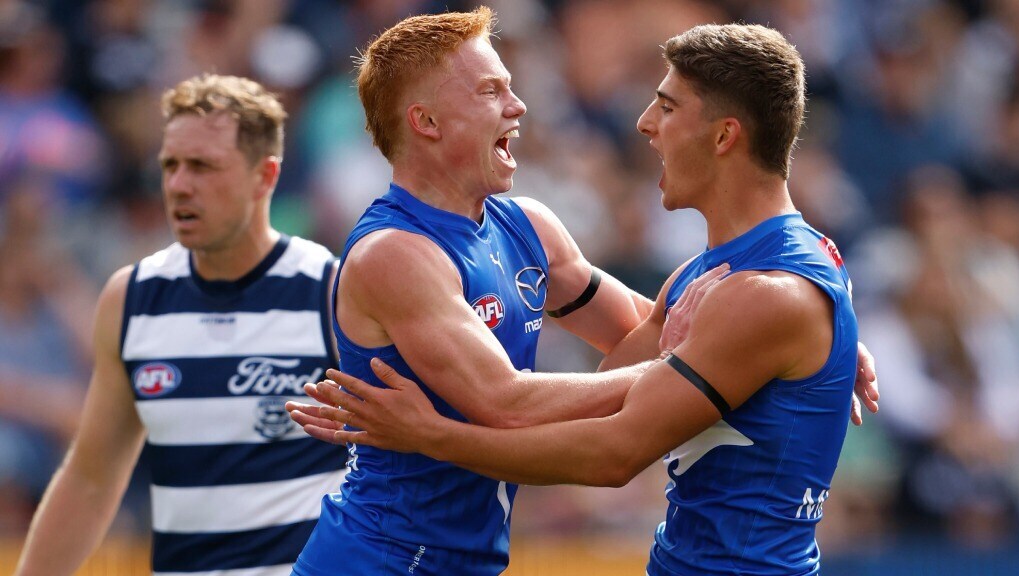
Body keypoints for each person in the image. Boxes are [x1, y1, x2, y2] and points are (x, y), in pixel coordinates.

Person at [293, 23, 872, 576]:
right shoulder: (395, 254)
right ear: (426, 121)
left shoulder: (530, 228)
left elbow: (688, 344)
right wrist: (767, 350)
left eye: (666, 107)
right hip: (381, 558)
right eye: (492, 90)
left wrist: (814, 342)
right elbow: (510, 402)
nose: (519, 106)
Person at [15, 74, 349, 576]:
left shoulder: (331, 290)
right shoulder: (132, 298)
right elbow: (90, 479)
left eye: (202, 166)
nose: (178, 184)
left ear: (266, 176)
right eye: (170, 165)